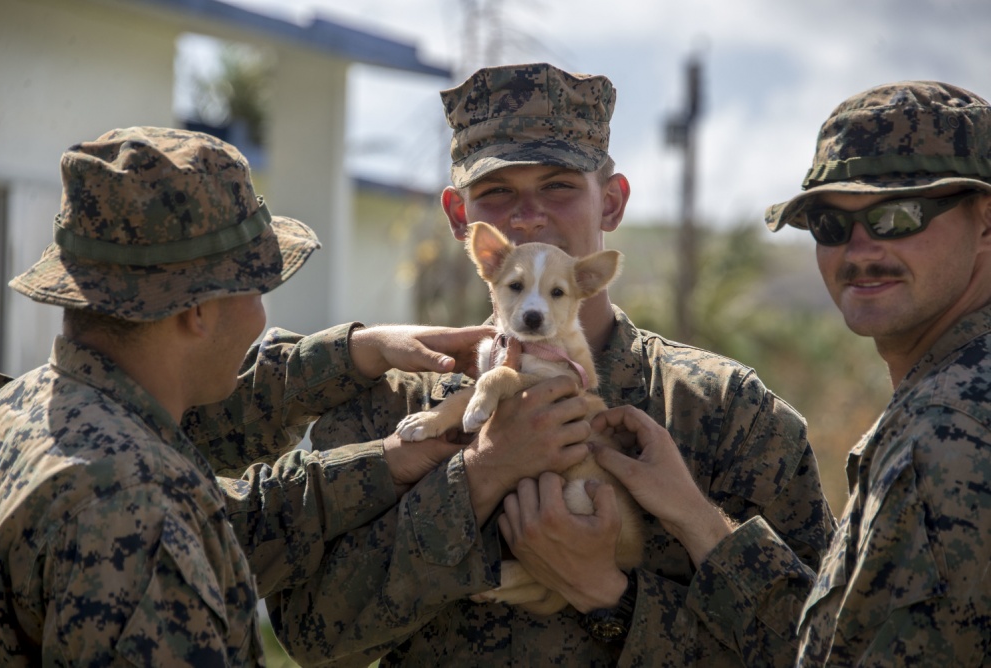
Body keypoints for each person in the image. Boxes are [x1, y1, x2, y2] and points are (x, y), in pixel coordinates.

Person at [268, 62, 837, 666]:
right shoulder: (393, 407)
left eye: (559, 185)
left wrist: (611, 596)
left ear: (612, 202)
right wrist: (477, 479)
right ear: (463, 220)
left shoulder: (723, 412)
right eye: (497, 192)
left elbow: (818, 646)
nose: (529, 216)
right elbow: (311, 633)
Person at [0, 126, 493, 665]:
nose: (262, 318)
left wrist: (384, 455)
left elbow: (228, 519)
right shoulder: (138, 512)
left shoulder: (22, 410)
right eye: (257, 289)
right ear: (197, 311)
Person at [581, 81, 991, 665]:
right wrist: (698, 519)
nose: (861, 249)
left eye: (898, 216)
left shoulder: (947, 431)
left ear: (985, 221)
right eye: (830, 223)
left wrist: (606, 595)